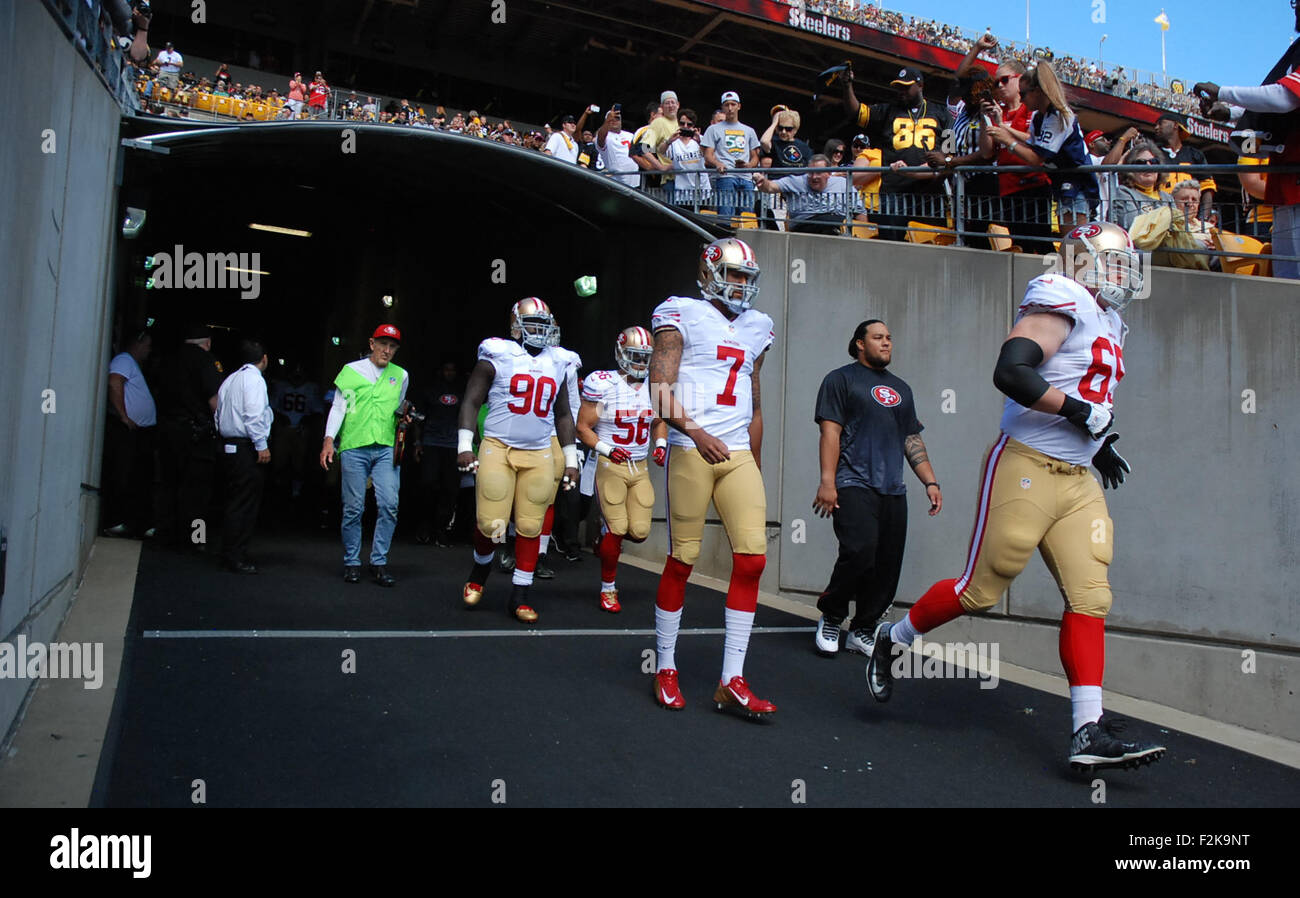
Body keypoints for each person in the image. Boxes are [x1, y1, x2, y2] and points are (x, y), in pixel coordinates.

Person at [865, 221, 1167, 773]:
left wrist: (1096, 445)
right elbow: (1011, 371)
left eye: (1127, 263)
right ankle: (895, 635)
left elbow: (1085, 388)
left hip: (1077, 479)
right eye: (1112, 261)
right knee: (980, 590)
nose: (1122, 273)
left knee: (1091, 594)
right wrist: (1077, 413)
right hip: (1025, 465)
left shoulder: (1114, 319)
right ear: (1081, 261)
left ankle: (1086, 731)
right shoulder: (1060, 298)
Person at [648, 237, 776, 719]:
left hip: (737, 451)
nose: (741, 285)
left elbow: (755, 399)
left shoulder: (759, 325)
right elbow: (658, 390)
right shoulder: (680, 311)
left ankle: (731, 679)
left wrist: (756, 460)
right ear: (708, 273)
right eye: (734, 274)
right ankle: (665, 665)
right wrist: (696, 432)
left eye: (747, 277)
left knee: (752, 561)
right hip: (689, 446)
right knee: (683, 558)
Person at [811, 320, 942, 657]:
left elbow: (911, 438)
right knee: (859, 550)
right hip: (853, 482)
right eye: (878, 338)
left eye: (889, 338)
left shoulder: (902, 389)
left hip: (893, 489)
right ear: (859, 343)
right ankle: (833, 614)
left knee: (886, 565)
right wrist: (827, 481)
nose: (886, 343)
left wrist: (929, 480)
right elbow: (831, 432)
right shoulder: (840, 380)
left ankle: (862, 629)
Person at [458, 299, 580, 623]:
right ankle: (480, 568)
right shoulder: (497, 355)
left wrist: (571, 459)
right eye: (532, 323)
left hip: (539, 450)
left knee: (529, 525)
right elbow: (471, 400)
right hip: (498, 446)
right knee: (492, 523)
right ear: (516, 325)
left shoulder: (559, 361)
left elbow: (564, 413)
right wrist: (464, 444)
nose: (539, 330)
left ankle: (520, 594)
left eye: (543, 323)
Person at [1194, 0, 1300, 279]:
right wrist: (1229, 112)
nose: (1296, 8)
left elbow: (1285, 98)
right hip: (1289, 182)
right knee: (1287, 276)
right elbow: (1276, 107)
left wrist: (1223, 92)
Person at [576, 326, 662, 613]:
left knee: (639, 531)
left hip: (639, 465)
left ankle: (604, 535)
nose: (640, 363)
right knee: (618, 527)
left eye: (644, 357)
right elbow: (583, 428)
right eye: (635, 356)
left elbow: (658, 421)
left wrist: (660, 443)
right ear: (621, 354)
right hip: (610, 463)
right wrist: (607, 449)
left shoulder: (655, 385)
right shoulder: (604, 385)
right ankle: (608, 588)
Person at [319, 325, 410, 587]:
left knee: (389, 504)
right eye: (383, 344)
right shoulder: (351, 371)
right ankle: (352, 561)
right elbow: (339, 407)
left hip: (385, 447)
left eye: (392, 347)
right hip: (355, 445)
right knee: (353, 507)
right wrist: (329, 440)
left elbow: (399, 406)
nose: (387, 350)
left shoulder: (401, 375)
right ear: (372, 344)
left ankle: (379, 562)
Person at [842, 65, 953, 240]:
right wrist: (847, 86)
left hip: (930, 192)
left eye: (906, 87)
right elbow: (857, 113)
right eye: (899, 87)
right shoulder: (888, 110)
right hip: (894, 191)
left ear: (920, 85)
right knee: (892, 242)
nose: (902, 91)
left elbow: (950, 153)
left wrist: (935, 163)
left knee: (932, 242)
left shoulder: (942, 113)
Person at [990, 62, 1098, 229]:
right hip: (1062, 182)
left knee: (1074, 245)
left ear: (1038, 92)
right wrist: (1004, 127)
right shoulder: (1040, 116)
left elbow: (1035, 158)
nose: (1022, 98)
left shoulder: (1059, 116)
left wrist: (1007, 141)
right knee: (1069, 243)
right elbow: (1031, 142)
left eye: (1023, 94)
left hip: (1077, 184)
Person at [154, 324, 223, 550]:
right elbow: (214, 400)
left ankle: (164, 535)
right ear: (208, 342)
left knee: (168, 483)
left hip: (167, 429)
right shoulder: (206, 361)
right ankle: (195, 539)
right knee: (197, 490)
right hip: (196, 433)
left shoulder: (167, 359)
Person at [215, 338, 272, 574]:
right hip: (246, 446)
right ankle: (236, 555)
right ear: (264, 359)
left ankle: (228, 550)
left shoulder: (230, 379)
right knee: (245, 503)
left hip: (227, 444)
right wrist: (261, 445)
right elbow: (254, 414)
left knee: (232, 499)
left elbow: (218, 413)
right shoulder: (254, 380)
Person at [102, 329, 157, 538]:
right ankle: (118, 520)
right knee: (123, 474)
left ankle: (134, 522)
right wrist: (123, 416)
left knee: (136, 476)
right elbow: (114, 382)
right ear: (139, 342)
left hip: (138, 432)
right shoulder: (124, 360)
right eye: (148, 345)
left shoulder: (131, 364)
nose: (149, 351)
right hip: (126, 430)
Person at [413, 359, 466, 547]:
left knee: (450, 489)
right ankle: (424, 525)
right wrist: (418, 443)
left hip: (454, 445)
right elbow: (419, 418)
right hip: (431, 442)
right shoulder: (430, 390)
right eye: (446, 369)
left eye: (452, 370)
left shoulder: (463, 391)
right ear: (441, 371)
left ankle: (441, 529)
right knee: (427, 484)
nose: (449, 373)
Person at [753, 154, 868, 235]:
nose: (814, 177)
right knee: (828, 224)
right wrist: (762, 182)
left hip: (838, 224)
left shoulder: (843, 184)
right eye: (810, 172)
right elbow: (771, 186)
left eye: (818, 173)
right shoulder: (796, 181)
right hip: (806, 225)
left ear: (828, 173)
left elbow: (860, 212)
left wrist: (864, 235)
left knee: (840, 224)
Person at [701, 91, 762, 224]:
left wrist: (749, 166)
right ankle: (725, 239)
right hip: (725, 175)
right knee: (725, 216)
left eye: (733, 104)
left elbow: (755, 157)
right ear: (722, 107)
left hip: (745, 177)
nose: (730, 108)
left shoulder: (749, 130)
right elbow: (708, 155)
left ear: (739, 106)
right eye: (727, 105)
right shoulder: (713, 129)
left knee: (747, 217)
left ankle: (744, 243)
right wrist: (718, 164)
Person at [1107, 139, 1174, 230]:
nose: (1148, 166)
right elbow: (1133, 227)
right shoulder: (1123, 193)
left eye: (1154, 162)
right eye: (1141, 162)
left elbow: (1176, 228)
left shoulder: (1167, 197)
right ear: (1130, 168)